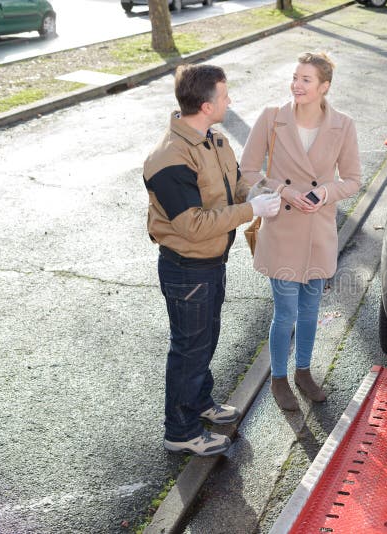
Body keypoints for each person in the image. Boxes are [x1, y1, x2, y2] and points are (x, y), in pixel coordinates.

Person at [144, 64, 281, 456]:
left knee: (204, 341)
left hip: (210, 263)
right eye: (224, 96)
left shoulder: (214, 139)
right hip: (187, 267)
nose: (229, 101)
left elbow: (233, 185)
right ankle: (180, 430)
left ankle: (200, 403)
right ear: (206, 105)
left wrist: (262, 189)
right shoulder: (168, 158)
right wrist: (252, 209)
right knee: (189, 347)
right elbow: (192, 225)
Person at [240, 52, 362, 411]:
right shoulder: (271, 118)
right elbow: (247, 171)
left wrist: (324, 192)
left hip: (319, 230)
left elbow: (353, 180)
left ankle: (303, 372)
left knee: (310, 311)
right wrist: (283, 190)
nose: (297, 84)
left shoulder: (343, 124)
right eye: (295, 77)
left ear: (324, 87)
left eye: (306, 79)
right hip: (282, 228)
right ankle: (279, 378)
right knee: (285, 313)